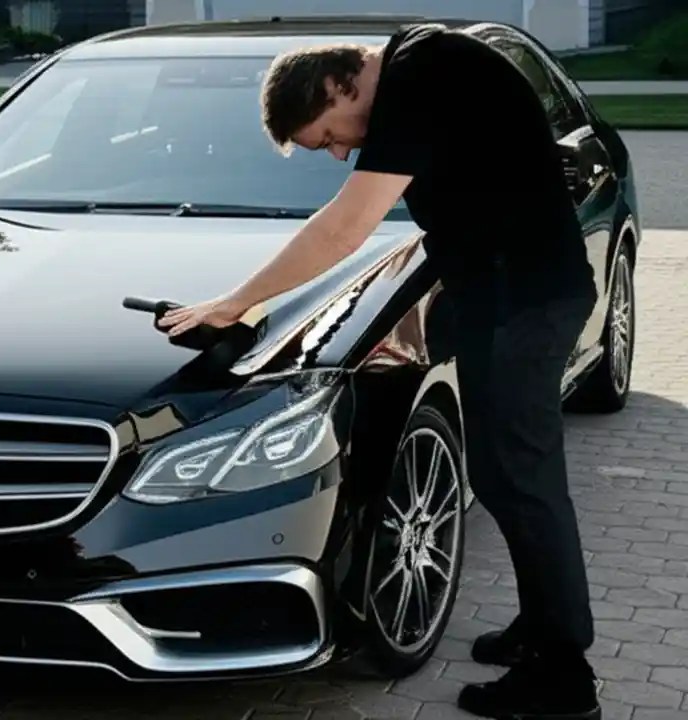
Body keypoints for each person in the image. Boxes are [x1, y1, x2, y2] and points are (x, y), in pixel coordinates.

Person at [158, 22, 601, 720]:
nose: (341, 153)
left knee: (522, 480)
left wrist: (238, 302)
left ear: (339, 84)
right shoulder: (427, 68)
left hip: (527, 304)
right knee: (502, 474)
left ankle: (566, 678)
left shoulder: (422, 73)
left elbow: (346, 225)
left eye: (330, 136)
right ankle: (542, 629)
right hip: (509, 299)